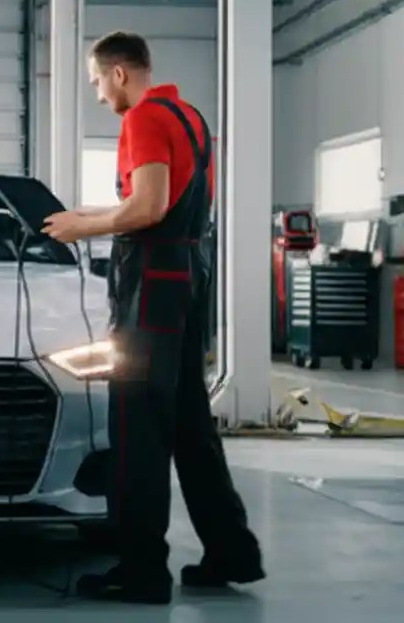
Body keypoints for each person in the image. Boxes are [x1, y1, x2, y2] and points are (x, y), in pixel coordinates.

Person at [43, 31, 264, 604]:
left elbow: (147, 208)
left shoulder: (141, 118)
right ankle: (231, 551)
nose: (97, 94)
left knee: (137, 426)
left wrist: (81, 229)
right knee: (190, 423)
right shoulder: (189, 116)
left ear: (118, 73)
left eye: (95, 81)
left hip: (152, 289)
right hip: (189, 276)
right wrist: (82, 215)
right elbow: (166, 204)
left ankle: (140, 572)